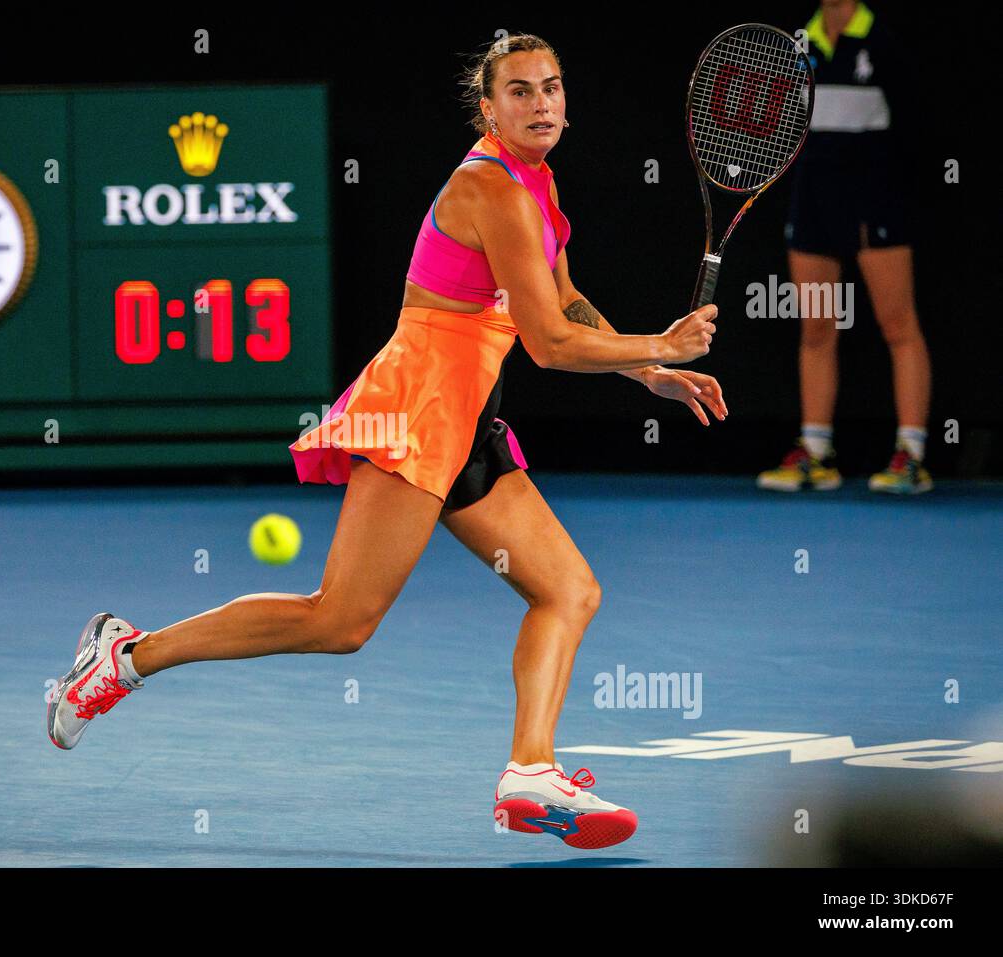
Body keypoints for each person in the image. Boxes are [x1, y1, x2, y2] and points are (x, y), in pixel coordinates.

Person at [47, 35, 724, 851]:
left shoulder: (537, 184)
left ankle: (529, 775)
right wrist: (665, 342)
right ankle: (125, 657)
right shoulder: (490, 189)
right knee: (340, 621)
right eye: (519, 92)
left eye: (551, 87)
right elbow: (546, 341)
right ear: (488, 108)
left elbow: (567, 299)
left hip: (470, 414)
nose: (540, 104)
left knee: (569, 590)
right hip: (416, 410)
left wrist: (647, 369)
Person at [757, 0, 932, 494]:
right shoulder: (799, 40)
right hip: (813, 200)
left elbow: (915, 128)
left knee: (898, 325)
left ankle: (911, 455)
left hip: (877, 202)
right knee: (817, 327)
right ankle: (816, 453)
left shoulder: (886, 38)